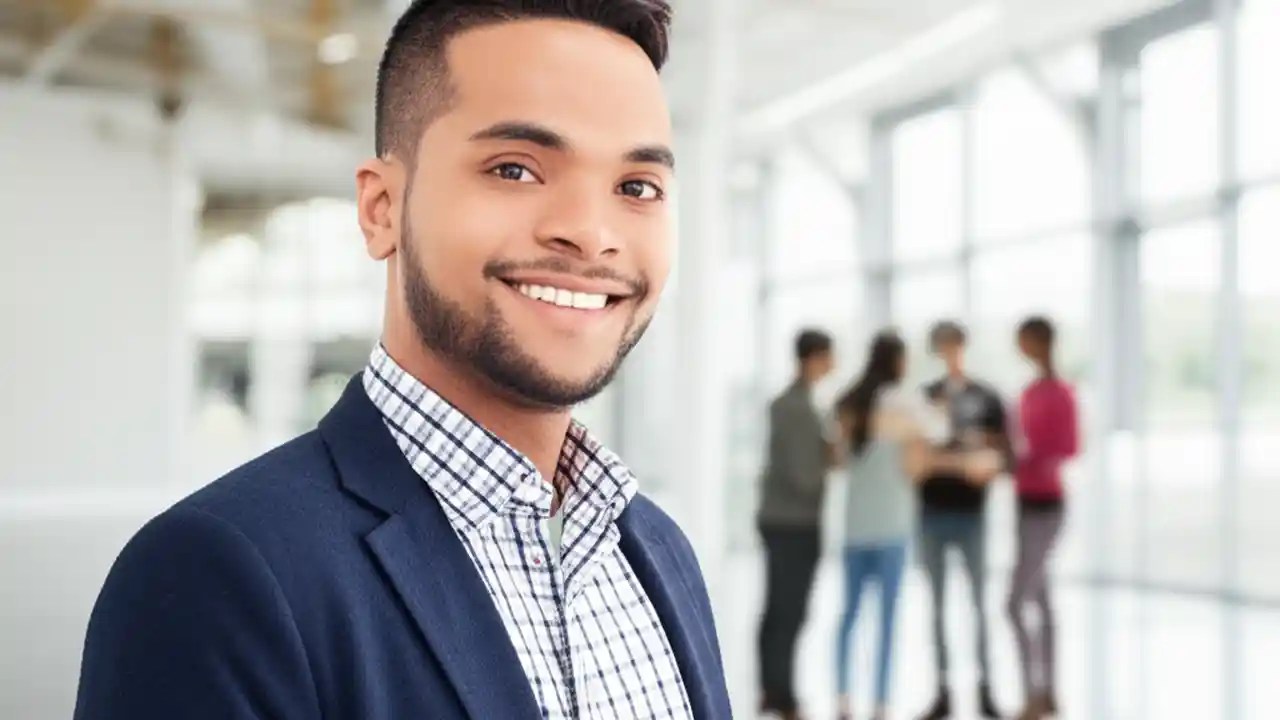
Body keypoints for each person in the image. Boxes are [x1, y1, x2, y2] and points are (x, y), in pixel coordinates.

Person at [74, 3, 733, 719]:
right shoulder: (217, 575)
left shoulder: (660, 554)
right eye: (515, 169)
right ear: (382, 207)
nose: (590, 233)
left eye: (637, 187)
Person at [833, 332, 994, 720]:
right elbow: (924, 455)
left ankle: (842, 700)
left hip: (855, 527)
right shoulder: (907, 404)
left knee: (849, 616)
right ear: (898, 362)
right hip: (892, 527)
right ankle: (881, 704)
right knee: (888, 619)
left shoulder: (849, 405)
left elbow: (838, 460)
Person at [916, 320, 1011, 720]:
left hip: (973, 516)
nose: (949, 352)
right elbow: (917, 461)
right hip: (932, 514)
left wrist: (957, 459)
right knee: (935, 607)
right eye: (942, 346)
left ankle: (987, 690)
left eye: (954, 345)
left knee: (978, 605)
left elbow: (998, 458)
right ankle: (943, 691)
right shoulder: (925, 397)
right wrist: (963, 459)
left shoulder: (987, 397)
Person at [756, 329, 836, 720]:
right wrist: (832, 455)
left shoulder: (792, 403)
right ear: (814, 358)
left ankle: (772, 689)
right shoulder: (798, 408)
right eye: (828, 356)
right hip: (795, 523)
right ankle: (783, 696)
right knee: (789, 611)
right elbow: (806, 476)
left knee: (777, 609)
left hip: (780, 519)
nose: (832, 364)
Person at [1008, 317, 1079, 720]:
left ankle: (1034, 694)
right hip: (1023, 501)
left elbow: (1068, 448)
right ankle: (1049, 690)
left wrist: (1028, 458)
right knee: (1041, 598)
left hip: (1047, 505)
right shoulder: (1028, 392)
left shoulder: (1061, 393)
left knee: (1015, 602)